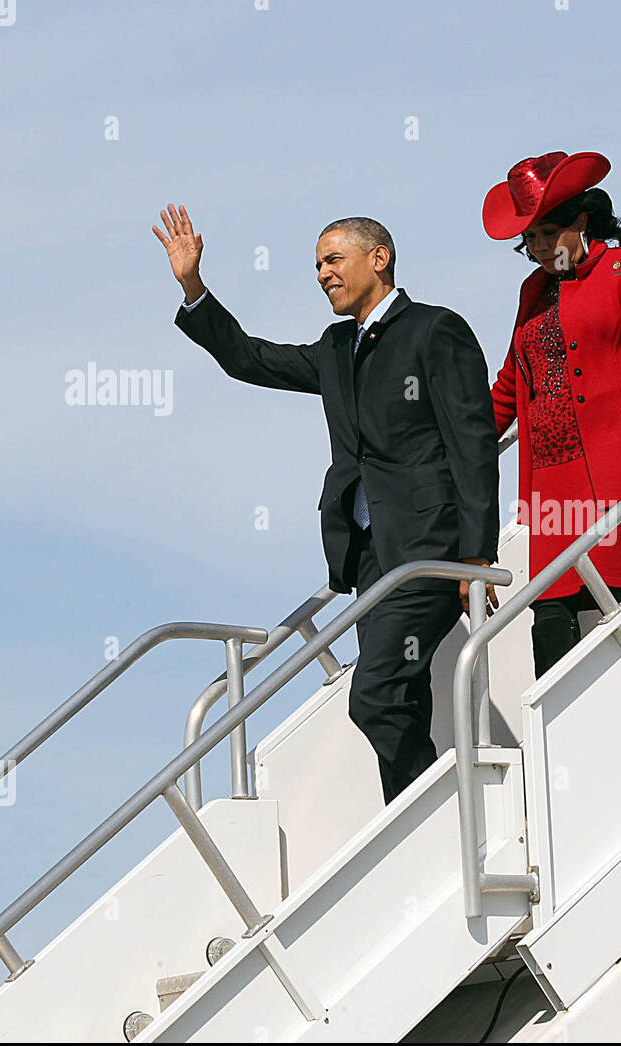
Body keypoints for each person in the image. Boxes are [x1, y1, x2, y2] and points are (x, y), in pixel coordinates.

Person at [153, 204, 500, 803]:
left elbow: (474, 447)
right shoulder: (336, 347)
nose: (322, 274)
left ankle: (429, 812)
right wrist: (193, 288)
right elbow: (248, 359)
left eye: (334, 259)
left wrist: (476, 557)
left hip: (430, 546)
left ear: (379, 258)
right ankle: (421, 820)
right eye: (317, 265)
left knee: (376, 693)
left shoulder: (435, 330)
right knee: (403, 698)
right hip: (368, 554)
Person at [482, 152, 621, 678]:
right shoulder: (531, 291)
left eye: (550, 234)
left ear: (581, 221)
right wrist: (453, 438)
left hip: (620, 467)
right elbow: (510, 386)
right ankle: (561, 729)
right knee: (551, 607)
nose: (541, 249)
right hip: (551, 479)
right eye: (530, 242)